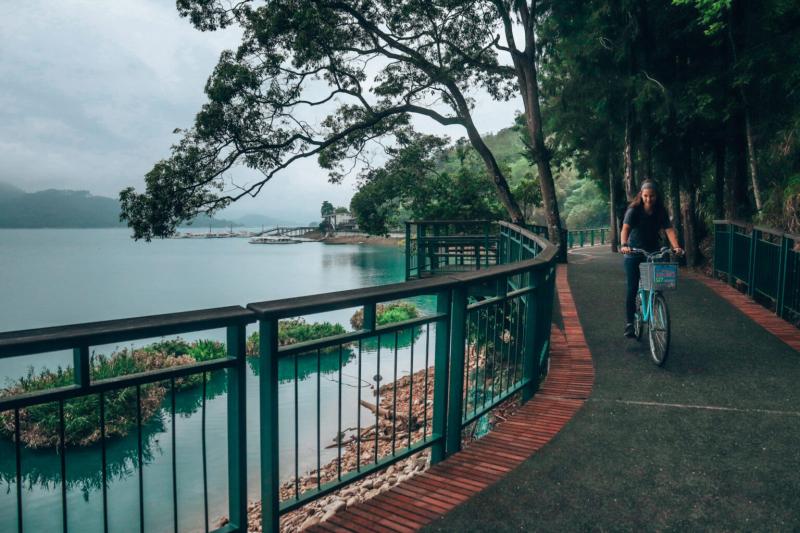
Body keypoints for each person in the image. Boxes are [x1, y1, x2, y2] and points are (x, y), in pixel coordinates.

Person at [619, 179, 683, 338]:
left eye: (652, 196)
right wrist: (624, 244)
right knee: (632, 288)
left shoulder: (660, 211)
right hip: (634, 251)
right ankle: (629, 323)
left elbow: (669, 230)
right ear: (641, 195)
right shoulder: (633, 210)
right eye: (646, 196)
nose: (649, 199)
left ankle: (655, 305)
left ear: (656, 196)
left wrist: (676, 247)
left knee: (657, 285)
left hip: (653, 251)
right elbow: (625, 229)